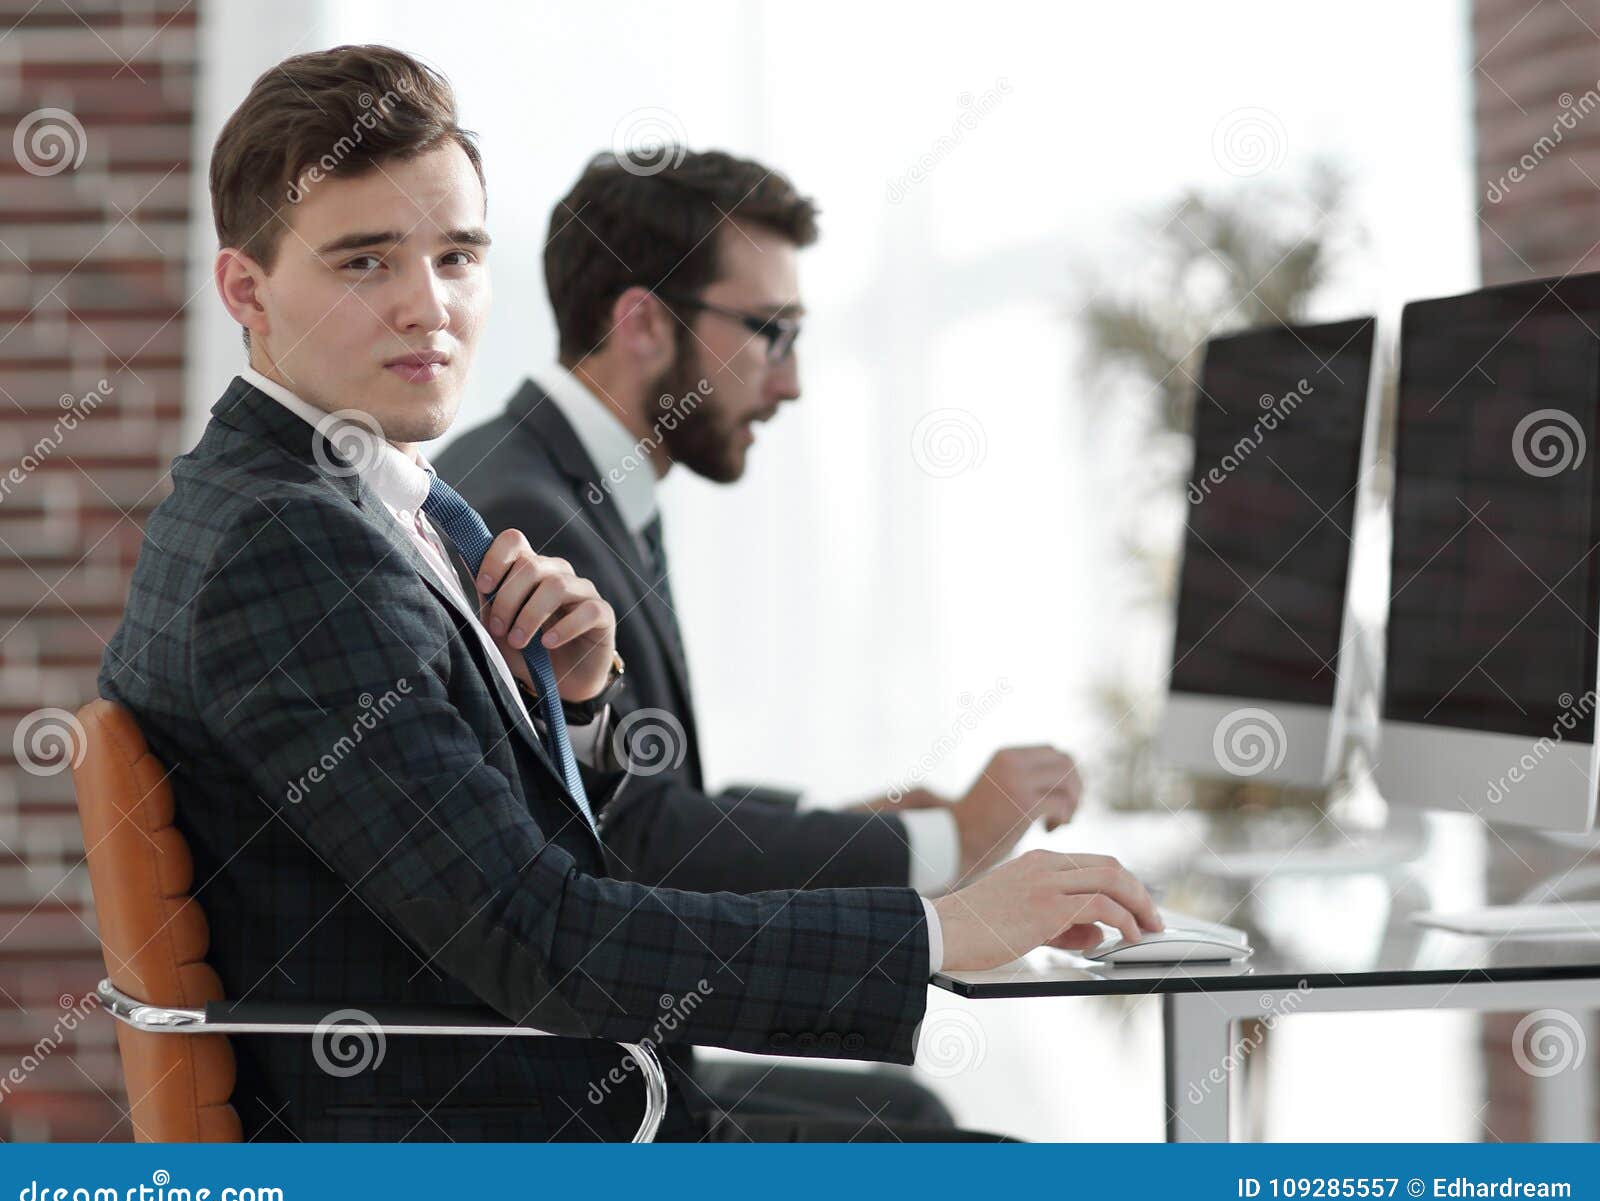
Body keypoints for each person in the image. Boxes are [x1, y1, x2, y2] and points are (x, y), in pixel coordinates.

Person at [99, 44, 1162, 1142]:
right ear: (247, 289)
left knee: (936, 1133)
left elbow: (495, 852)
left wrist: (573, 709)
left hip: (511, 1097)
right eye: (366, 262)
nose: (431, 307)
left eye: (458, 255)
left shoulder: (339, 503)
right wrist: (937, 931)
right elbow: (537, 932)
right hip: (488, 1142)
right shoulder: (291, 542)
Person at [432, 149, 1098, 1125]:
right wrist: (944, 841)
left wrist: (866, 826)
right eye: (771, 333)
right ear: (643, 322)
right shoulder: (528, 518)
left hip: (611, 1058)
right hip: (580, 1099)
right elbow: (635, 843)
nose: (787, 384)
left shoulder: (549, 476)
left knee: (910, 1112)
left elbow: (627, 796)